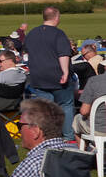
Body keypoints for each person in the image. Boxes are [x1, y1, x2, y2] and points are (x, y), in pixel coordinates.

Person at [23, 7, 76, 137]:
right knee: (66, 105)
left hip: (38, 76)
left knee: (46, 109)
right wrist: (65, 72)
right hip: (57, 75)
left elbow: (26, 53)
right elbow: (63, 54)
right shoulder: (59, 34)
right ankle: (68, 137)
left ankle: (49, 136)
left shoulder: (32, 33)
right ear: (57, 17)